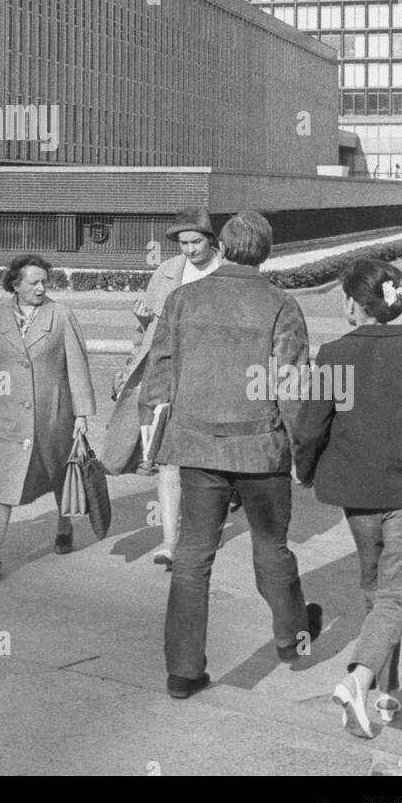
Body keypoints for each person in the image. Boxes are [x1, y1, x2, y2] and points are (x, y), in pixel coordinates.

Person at [138, 211, 321, 698]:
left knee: (192, 559)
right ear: (266, 251)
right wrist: (307, 454)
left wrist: (151, 444)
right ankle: (291, 637)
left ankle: (182, 670)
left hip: (196, 448)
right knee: (271, 546)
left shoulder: (182, 299)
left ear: (222, 246)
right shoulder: (281, 305)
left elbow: (157, 378)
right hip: (261, 451)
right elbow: (293, 387)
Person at [295, 258, 402, 738]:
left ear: (354, 302)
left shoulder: (333, 354)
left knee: (377, 590)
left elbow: (310, 428)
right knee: (395, 596)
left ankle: (383, 693)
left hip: (357, 494)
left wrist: (304, 472)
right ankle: (360, 679)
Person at [0, 254, 96, 582]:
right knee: (3, 482)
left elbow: (78, 367)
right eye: (34, 282)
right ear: (15, 285)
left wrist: (82, 414)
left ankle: (63, 527)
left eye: (45, 281)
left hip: (53, 416)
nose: (42, 288)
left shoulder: (61, 315)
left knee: (60, 474)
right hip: (7, 418)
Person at [102, 209, 224, 570]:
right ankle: (171, 542)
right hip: (169, 373)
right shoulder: (166, 272)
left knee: (206, 461)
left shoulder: (226, 270)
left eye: (196, 242)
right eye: (184, 243)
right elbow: (144, 335)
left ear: (210, 239)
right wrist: (141, 322)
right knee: (167, 458)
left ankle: (205, 530)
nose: (189, 250)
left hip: (212, 376)